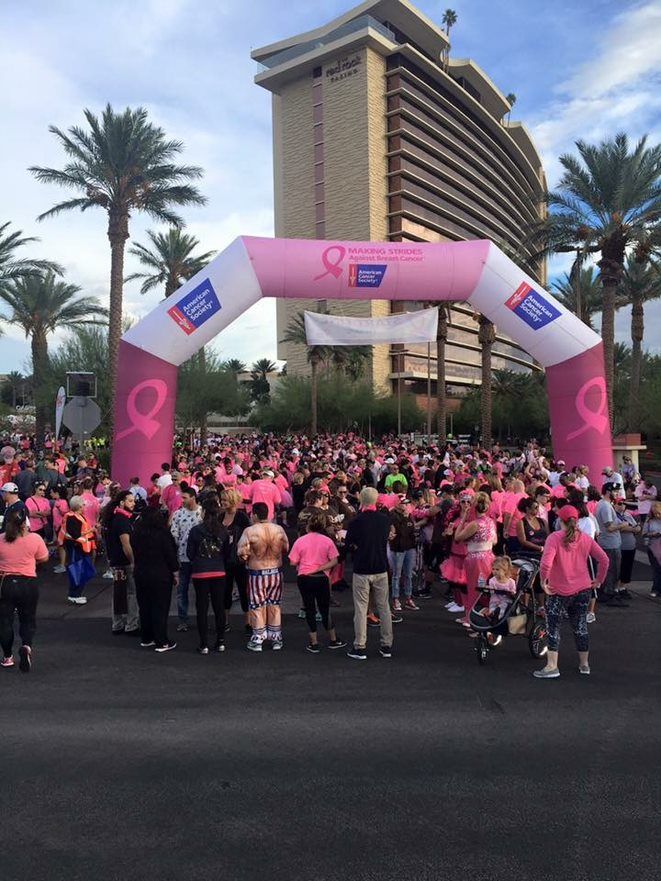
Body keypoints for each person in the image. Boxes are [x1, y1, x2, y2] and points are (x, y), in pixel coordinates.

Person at [533, 505, 609, 679]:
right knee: (580, 626)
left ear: (560, 520)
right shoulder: (585, 539)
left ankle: (552, 665)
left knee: (553, 626)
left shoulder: (554, 538)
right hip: (582, 589)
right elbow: (604, 560)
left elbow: (545, 564)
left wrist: (544, 582)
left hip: (558, 589)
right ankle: (584, 664)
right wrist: (598, 580)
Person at [344, 487, 395, 661]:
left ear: (361, 500)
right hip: (380, 567)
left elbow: (349, 544)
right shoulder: (385, 520)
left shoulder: (356, 521)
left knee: (360, 608)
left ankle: (360, 646)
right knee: (384, 608)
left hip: (362, 568)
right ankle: (386, 645)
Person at [288, 512, 346, 653]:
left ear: (308, 526)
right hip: (321, 578)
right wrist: (321, 567)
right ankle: (333, 639)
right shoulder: (327, 541)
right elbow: (335, 560)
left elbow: (292, 562)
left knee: (309, 609)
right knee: (325, 609)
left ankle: (314, 642)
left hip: (304, 577)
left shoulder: (300, 541)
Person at [0, 511, 49, 671]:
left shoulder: (1, 539)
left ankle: (7, 656)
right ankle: (26, 646)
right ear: (25, 524)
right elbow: (44, 558)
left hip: (5, 583)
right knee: (27, 619)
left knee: (5, 621)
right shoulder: (35, 539)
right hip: (28, 583)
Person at [237, 501, 289, 652]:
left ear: (254, 514)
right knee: (274, 604)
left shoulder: (250, 531)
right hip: (276, 572)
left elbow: (242, 553)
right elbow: (286, 547)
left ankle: (258, 639)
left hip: (257, 573)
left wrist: (247, 558)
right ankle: (276, 638)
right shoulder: (278, 529)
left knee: (257, 605)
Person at [186, 499, 231, 654]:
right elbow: (227, 553)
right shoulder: (224, 531)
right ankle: (221, 641)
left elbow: (189, 553)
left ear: (204, 512)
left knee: (202, 608)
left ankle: (204, 643)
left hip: (200, 572)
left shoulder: (196, 530)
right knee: (219, 607)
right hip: (219, 571)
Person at [132, 508, 179, 652]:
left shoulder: (136, 534)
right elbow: (170, 554)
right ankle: (162, 641)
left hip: (141, 573)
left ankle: (147, 637)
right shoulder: (163, 534)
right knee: (160, 607)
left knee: (144, 606)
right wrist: (175, 572)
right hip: (160, 574)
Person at [454, 491, 497, 628]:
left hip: (475, 559)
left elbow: (457, 537)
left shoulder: (475, 524)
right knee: (483, 589)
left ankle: (472, 620)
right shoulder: (490, 522)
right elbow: (494, 541)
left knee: (474, 589)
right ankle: (470, 616)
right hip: (489, 556)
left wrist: (463, 519)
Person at [105, 490, 140, 635]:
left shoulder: (114, 518)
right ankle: (131, 625)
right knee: (131, 593)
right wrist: (133, 562)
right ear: (122, 502)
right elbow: (126, 545)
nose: (133, 503)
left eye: (133, 501)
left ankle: (117, 624)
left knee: (118, 592)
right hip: (124, 562)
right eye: (130, 501)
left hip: (116, 562)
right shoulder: (122, 520)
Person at [169, 487, 203, 632]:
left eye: (184, 498)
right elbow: (173, 535)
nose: (181, 501)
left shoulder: (202, 513)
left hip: (199, 559)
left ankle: (202, 618)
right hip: (182, 558)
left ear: (193, 497)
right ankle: (183, 620)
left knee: (201, 591)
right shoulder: (177, 514)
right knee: (181, 591)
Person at [219, 488, 251, 635]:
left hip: (239, 561)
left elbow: (249, 537)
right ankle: (225, 621)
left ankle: (248, 622)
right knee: (225, 591)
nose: (222, 502)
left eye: (225, 500)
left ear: (232, 500)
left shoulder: (242, 517)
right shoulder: (220, 517)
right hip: (223, 560)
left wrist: (246, 554)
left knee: (244, 591)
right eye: (222, 499)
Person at [59, 496, 96, 605]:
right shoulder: (71, 517)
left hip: (83, 548)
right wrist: (90, 530)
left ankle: (76, 593)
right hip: (76, 548)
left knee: (86, 571)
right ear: (79, 505)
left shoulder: (80, 516)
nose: (85, 506)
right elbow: (75, 534)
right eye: (83, 504)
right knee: (77, 572)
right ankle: (74, 594)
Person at [595, 482, 627, 607]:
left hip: (610, 542)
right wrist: (622, 525)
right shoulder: (605, 506)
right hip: (610, 543)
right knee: (613, 569)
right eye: (615, 491)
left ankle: (608, 593)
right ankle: (609, 594)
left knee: (611, 569)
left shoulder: (605, 504)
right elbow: (609, 527)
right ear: (608, 491)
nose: (617, 493)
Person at [388, 493, 419, 612]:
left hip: (409, 548)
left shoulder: (409, 515)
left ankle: (408, 597)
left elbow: (412, 530)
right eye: (403, 503)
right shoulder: (393, 515)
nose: (405, 505)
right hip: (398, 548)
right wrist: (406, 519)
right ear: (397, 503)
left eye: (407, 503)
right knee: (397, 574)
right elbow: (399, 531)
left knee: (408, 574)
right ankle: (396, 599)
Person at [613, 497, 640, 599]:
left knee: (627, 568)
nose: (622, 506)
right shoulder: (614, 516)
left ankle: (622, 587)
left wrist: (635, 528)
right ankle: (615, 588)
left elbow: (637, 526)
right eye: (619, 503)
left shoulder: (628, 515)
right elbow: (622, 528)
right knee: (618, 568)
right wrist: (633, 528)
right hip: (620, 546)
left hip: (630, 546)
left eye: (623, 504)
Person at [483, 556, 517, 622]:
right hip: (495, 600)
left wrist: (511, 592)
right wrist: (489, 588)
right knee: (492, 607)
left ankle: (498, 618)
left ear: (505, 570)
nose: (494, 571)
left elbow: (513, 592)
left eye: (497, 569)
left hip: (506, 600)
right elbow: (492, 592)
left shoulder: (511, 582)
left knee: (503, 607)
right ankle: (491, 615)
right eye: (493, 569)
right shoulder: (492, 580)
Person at [642, 501, 661, 598]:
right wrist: (652, 534)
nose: (657, 515)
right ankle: (655, 589)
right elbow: (644, 533)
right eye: (655, 513)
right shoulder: (649, 520)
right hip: (653, 547)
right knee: (656, 568)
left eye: (658, 513)